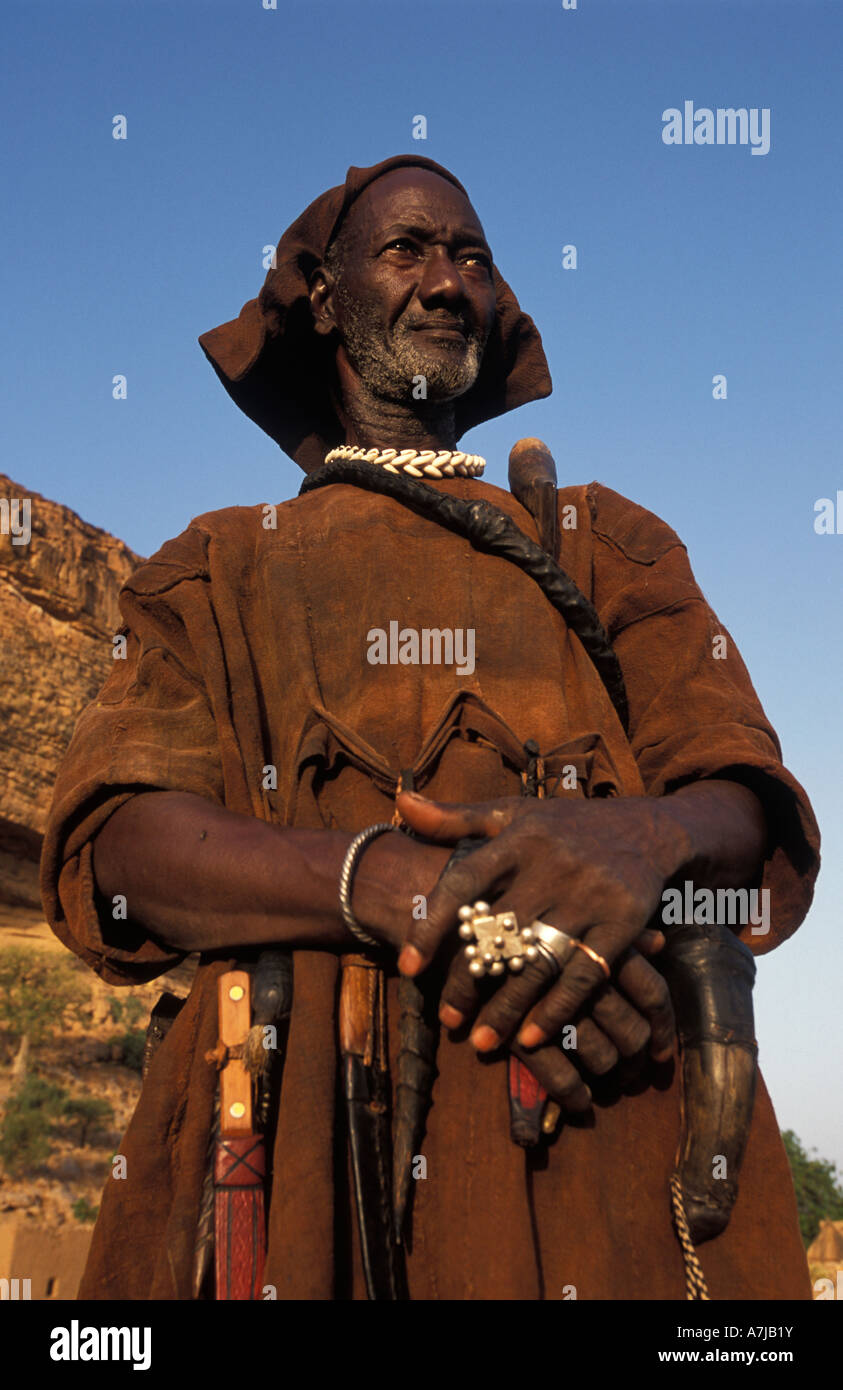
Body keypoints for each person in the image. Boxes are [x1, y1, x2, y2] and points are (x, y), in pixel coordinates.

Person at [41, 154, 819, 1300]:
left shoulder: (607, 542)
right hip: (290, 1139)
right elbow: (118, 848)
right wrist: (399, 884)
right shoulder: (214, 568)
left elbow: (745, 801)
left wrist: (640, 844)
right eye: (407, 249)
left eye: (471, 257)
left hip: (612, 1121)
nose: (446, 280)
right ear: (324, 294)